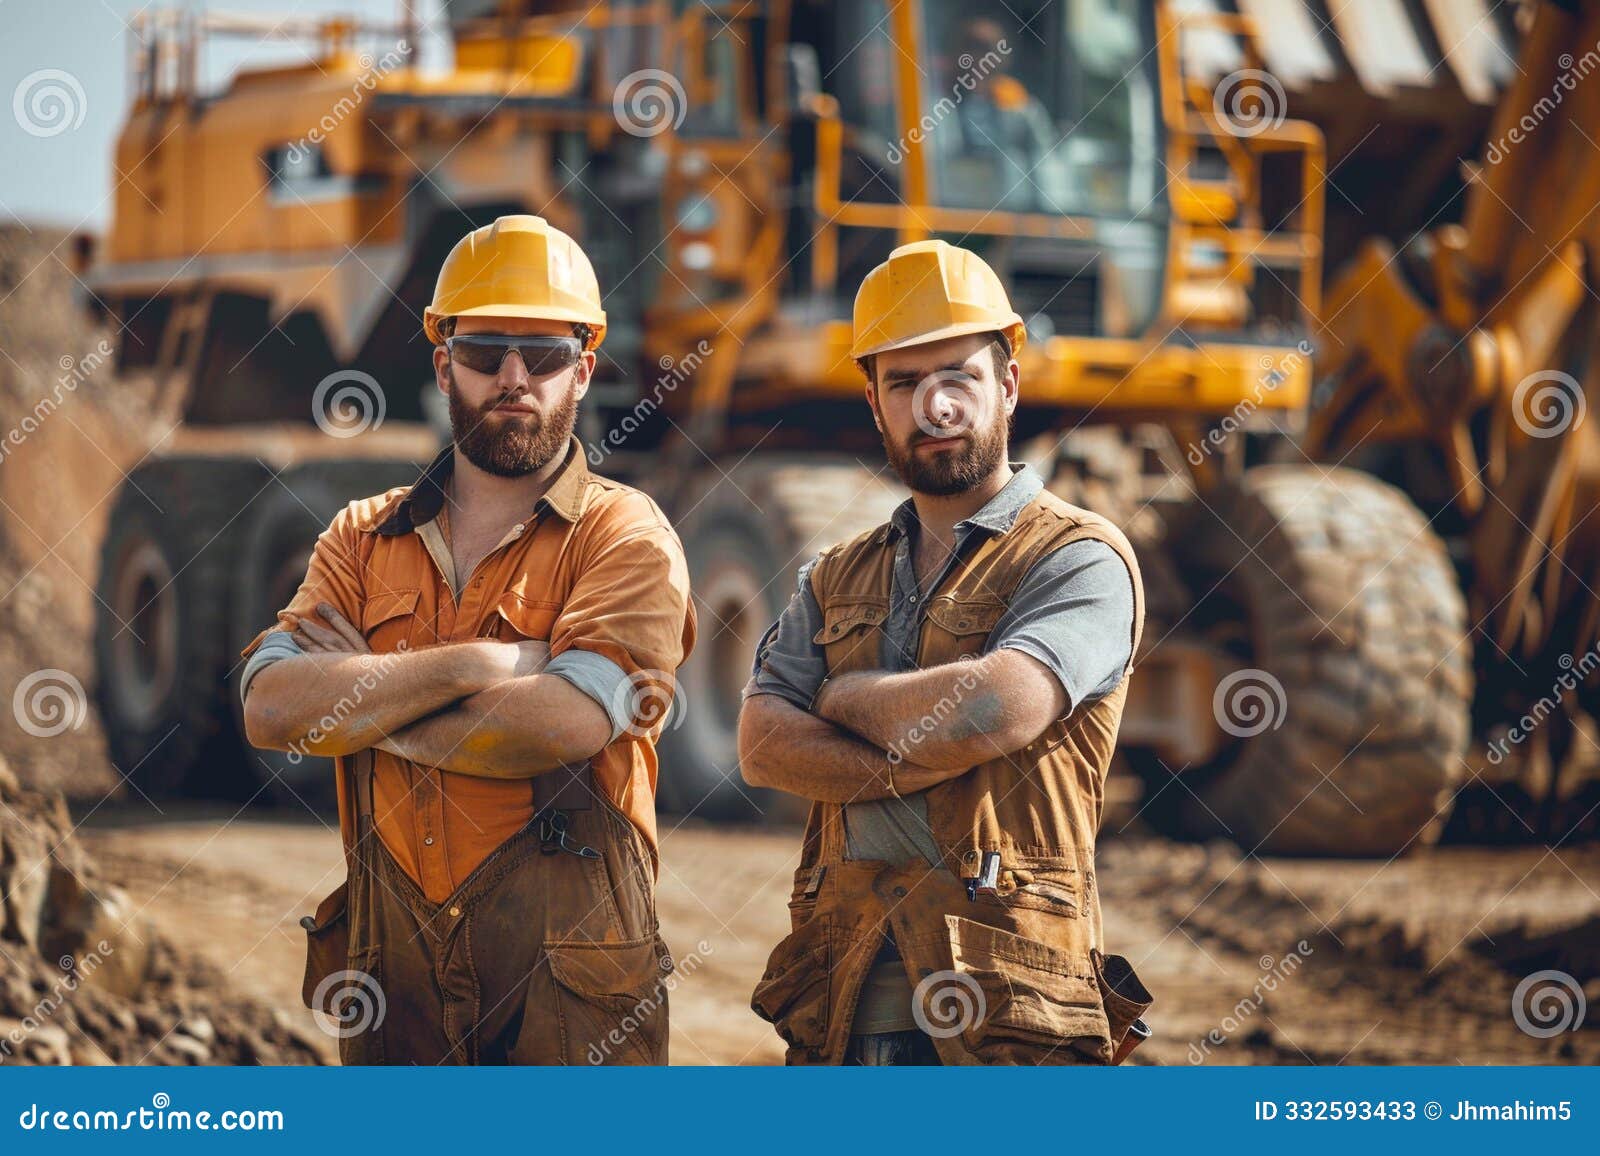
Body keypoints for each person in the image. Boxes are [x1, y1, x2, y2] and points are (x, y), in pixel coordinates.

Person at [240, 214, 695, 1065]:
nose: (514, 377)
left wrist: (360, 700)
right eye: (486, 351)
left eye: (546, 355)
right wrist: (478, 665)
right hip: (391, 977)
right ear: (444, 360)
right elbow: (268, 709)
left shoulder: (626, 537)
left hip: (572, 989)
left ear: (584, 368)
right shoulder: (360, 536)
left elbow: (563, 725)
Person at [740, 239, 1152, 1065]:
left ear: (1007, 384)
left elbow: (991, 711)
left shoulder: (1077, 558)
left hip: (1012, 1026)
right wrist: (907, 756)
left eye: (958, 376)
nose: (935, 406)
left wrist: (842, 697)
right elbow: (760, 744)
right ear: (874, 402)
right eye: (904, 383)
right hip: (842, 1010)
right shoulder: (835, 575)